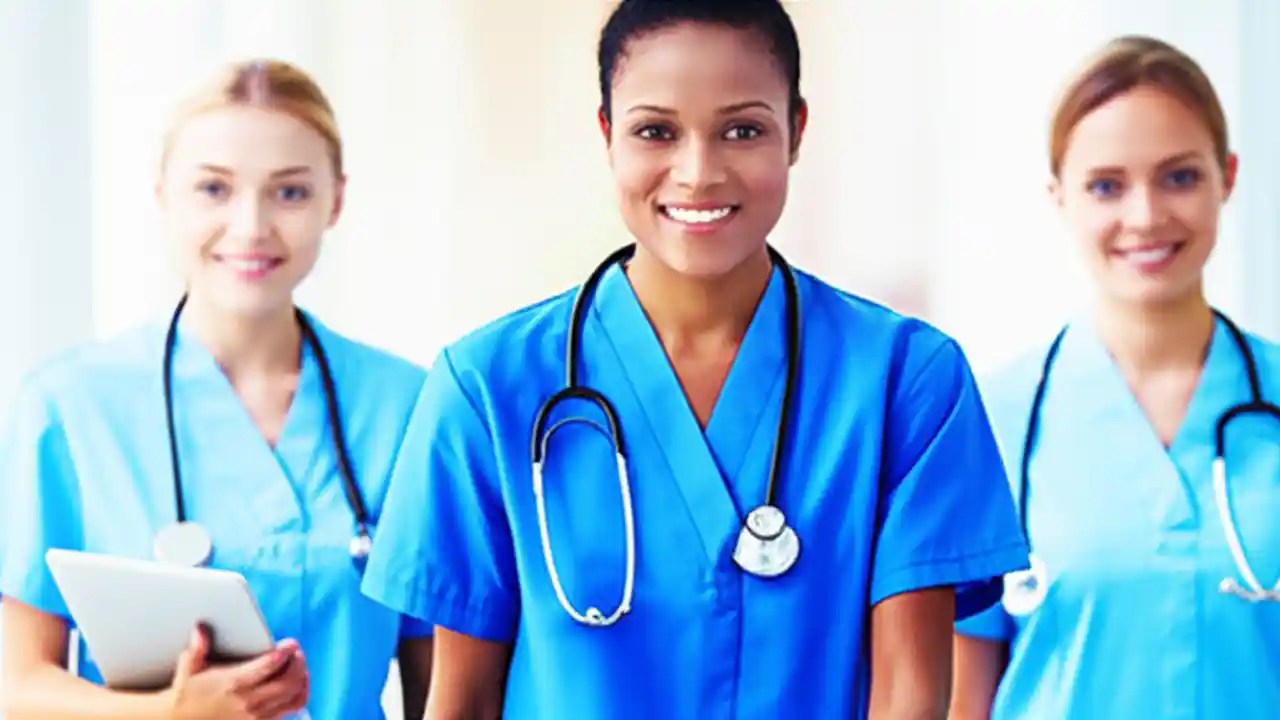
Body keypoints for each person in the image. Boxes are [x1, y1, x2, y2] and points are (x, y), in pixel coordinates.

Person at [360, 1, 1028, 717]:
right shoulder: (486, 388)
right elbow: (459, 704)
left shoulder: (906, 381)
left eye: (742, 129)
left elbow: (911, 700)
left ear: (796, 131)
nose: (698, 172)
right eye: (656, 131)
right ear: (607, 134)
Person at [0, 59, 433, 720]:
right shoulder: (71, 406)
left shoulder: (407, 408)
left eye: (290, 192)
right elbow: (17, 684)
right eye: (213, 189)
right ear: (162, 194)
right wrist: (165, 714)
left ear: (335, 201)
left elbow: (445, 689)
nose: (252, 226)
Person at [949, 35, 1280, 720]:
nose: (1145, 216)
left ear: (1230, 176)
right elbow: (962, 697)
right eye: (1106, 185)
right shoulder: (992, 417)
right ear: (1060, 197)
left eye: (1180, 176)